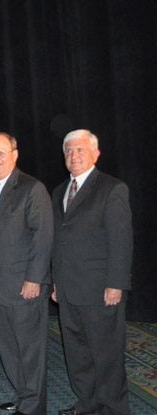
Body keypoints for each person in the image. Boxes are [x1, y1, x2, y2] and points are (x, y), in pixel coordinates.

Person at [51, 129, 132, 415]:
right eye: (69, 151)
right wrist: (56, 282)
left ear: (96, 154)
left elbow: (121, 241)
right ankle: (87, 405)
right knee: (77, 355)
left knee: (106, 356)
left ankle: (113, 409)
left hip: (100, 290)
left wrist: (116, 284)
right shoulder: (60, 191)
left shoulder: (112, 189)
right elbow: (59, 242)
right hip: (68, 289)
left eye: (80, 150)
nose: (74, 156)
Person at [0, 133, 52, 415]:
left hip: (25, 285)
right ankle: (23, 396)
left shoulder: (31, 188)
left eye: (1, 152)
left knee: (30, 351)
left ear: (15, 154)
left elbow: (43, 237)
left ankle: (33, 407)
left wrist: (35, 278)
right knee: (9, 348)